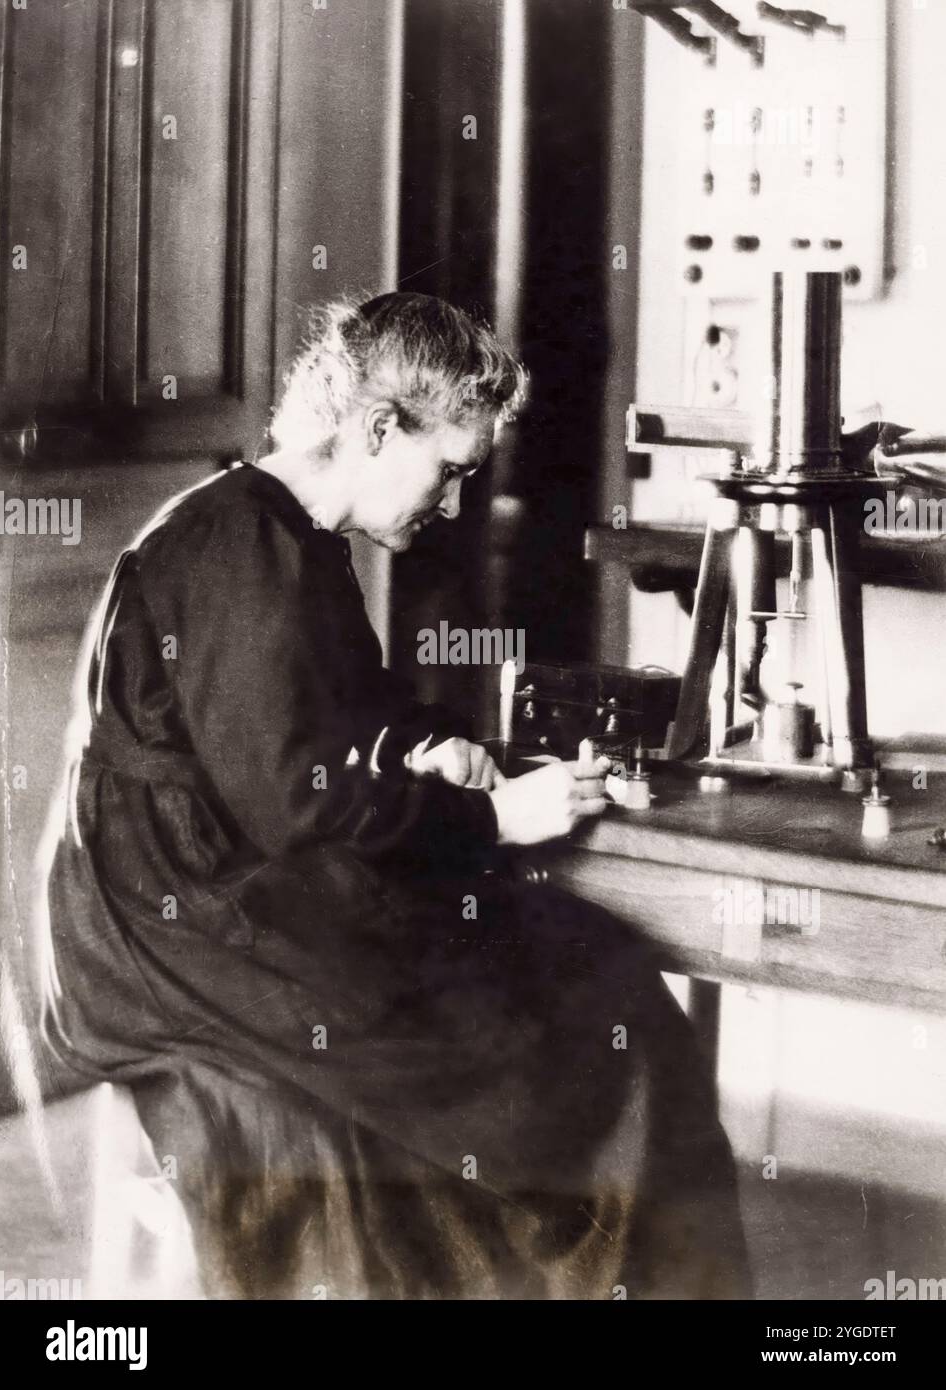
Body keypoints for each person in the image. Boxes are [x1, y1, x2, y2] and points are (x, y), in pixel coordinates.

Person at [41, 291, 749, 1299]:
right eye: (451, 470)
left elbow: (341, 714)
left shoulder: (290, 538)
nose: (454, 503)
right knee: (592, 1029)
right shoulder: (244, 550)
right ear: (379, 428)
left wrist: (437, 747)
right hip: (176, 929)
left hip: (218, 898)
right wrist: (493, 817)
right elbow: (297, 802)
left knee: (586, 974)